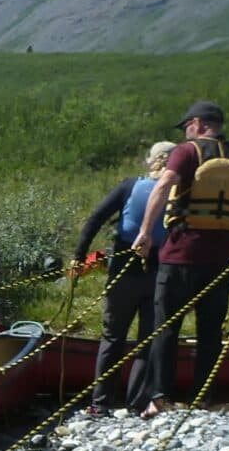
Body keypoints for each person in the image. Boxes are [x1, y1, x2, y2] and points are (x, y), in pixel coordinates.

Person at [131, 100, 229, 416]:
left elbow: (163, 186)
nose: (185, 132)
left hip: (180, 256)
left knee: (166, 327)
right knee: (210, 331)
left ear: (198, 124)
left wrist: (145, 232)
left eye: (186, 126)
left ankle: (160, 397)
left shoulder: (186, 152)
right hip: (223, 260)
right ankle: (203, 397)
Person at [69, 140, 176, 414]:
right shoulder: (181, 193)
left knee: (113, 337)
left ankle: (100, 403)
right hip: (160, 272)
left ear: (151, 160)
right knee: (147, 340)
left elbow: (96, 218)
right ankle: (136, 405)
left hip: (123, 269)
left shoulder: (130, 186)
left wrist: (78, 256)